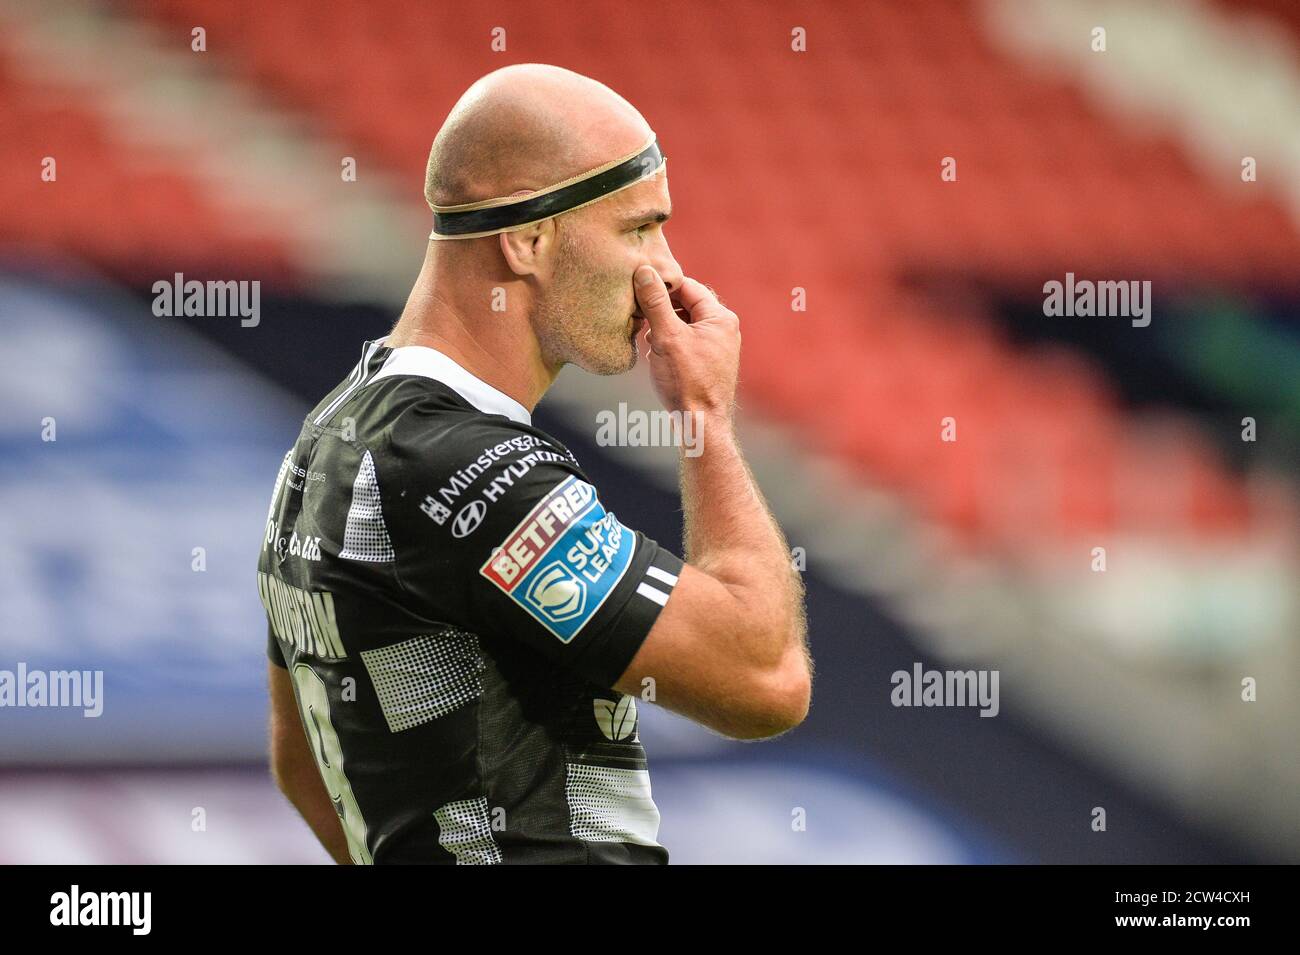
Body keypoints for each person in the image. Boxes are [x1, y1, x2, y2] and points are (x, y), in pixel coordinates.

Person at [260, 63, 811, 864]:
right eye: (637, 229)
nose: (665, 269)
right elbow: (766, 677)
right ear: (526, 241)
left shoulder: (326, 437)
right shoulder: (471, 469)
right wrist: (704, 417)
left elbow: (306, 758)